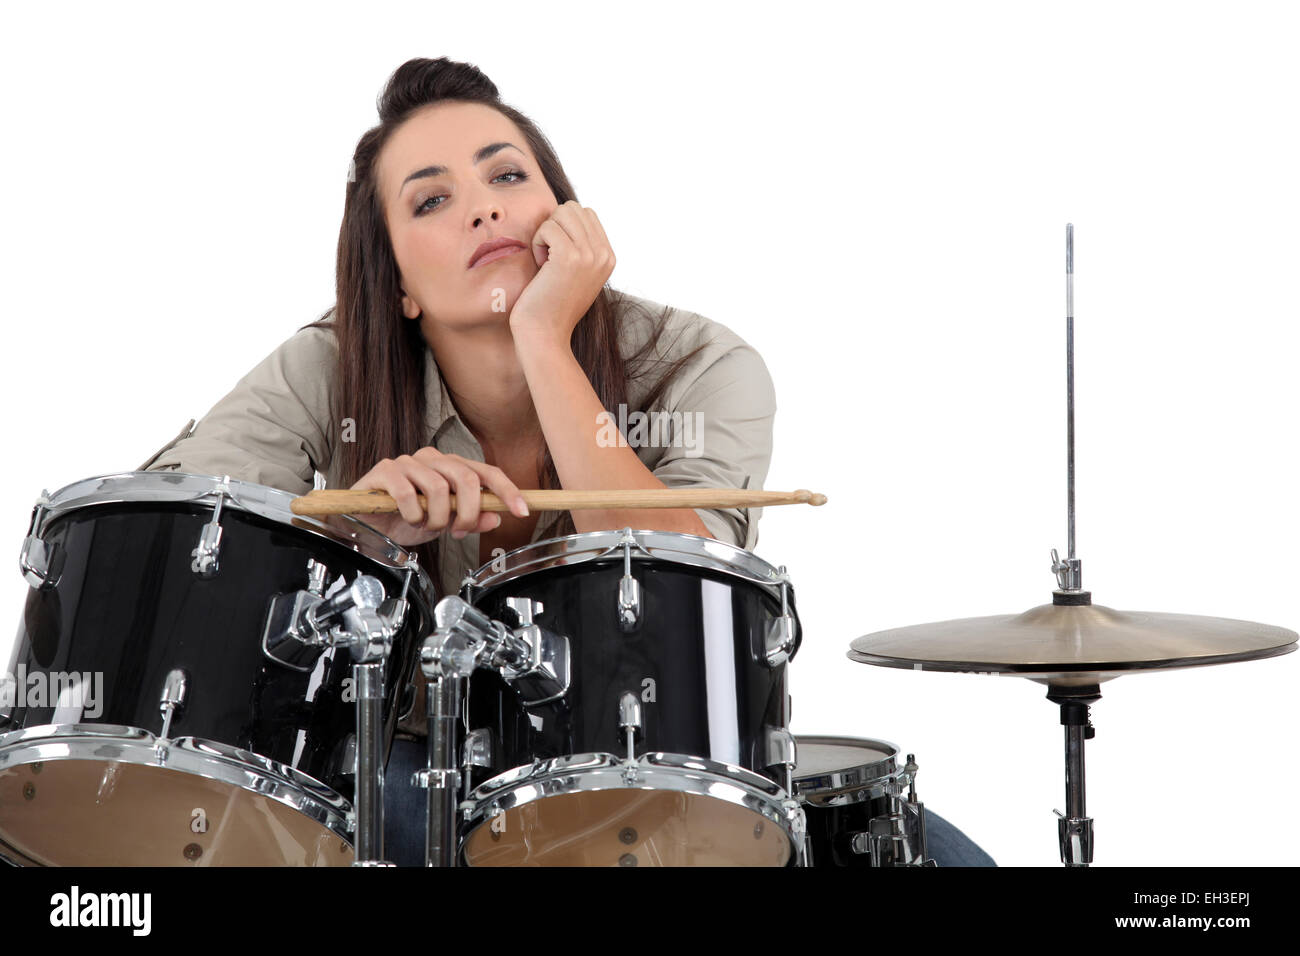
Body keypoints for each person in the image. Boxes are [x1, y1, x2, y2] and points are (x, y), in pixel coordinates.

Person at [141, 56, 992, 868]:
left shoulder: (702, 364)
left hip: (643, 765)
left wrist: (543, 337)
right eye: (432, 200)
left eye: (507, 177)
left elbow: (672, 603)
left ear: (566, 214)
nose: (483, 209)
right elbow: (166, 540)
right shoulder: (326, 367)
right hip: (404, 768)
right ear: (397, 281)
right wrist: (363, 543)